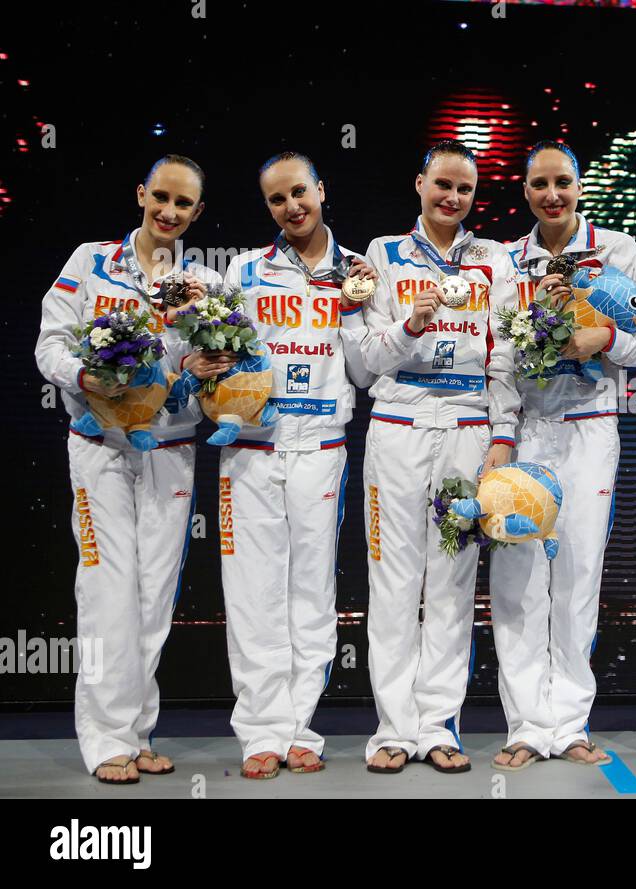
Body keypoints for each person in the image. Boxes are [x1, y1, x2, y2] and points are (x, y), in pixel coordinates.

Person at [35, 154, 231, 783]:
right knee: (105, 592)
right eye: (161, 198)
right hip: (101, 447)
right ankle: (105, 741)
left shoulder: (201, 283)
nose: (169, 213)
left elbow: (222, 358)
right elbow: (49, 344)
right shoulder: (89, 261)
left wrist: (207, 362)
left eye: (184, 205)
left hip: (171, 449)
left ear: (197, 213)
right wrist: (83, 376)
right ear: (141, 192)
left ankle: (136, 730)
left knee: (153, 597)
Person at [357, 140, 519, 775]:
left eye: (466, 189)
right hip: (398, 425)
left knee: (452, 579)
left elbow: (505, 352)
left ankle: (438, 725)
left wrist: (501, 437)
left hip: (466, 429)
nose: (453, 197)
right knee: (394, 580)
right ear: (418, 183)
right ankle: (393, 730)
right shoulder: (381, 255)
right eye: (442, 185)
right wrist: (410, 327)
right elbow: (363, 360)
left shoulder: (494, 259)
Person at [219, 151, 377, 779]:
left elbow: (365, 373)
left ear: (321, 189)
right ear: (268, 207)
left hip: (321, 449)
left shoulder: (358, 273)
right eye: (277, 199)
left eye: (299, 193)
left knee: (313, 591)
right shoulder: (242, 271)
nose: (292, 206)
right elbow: (217, 352)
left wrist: (351, 309)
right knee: (254, 594)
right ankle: (261, 730)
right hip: (252, 449)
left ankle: (300, 726)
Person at [491, 140, 636, 770]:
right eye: (539, 184)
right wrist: (501, 438)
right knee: (519, 578)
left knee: (580, 574)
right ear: (525, 191)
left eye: (562, 182)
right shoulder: (507, 261)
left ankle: (571, 722)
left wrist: (602, 336)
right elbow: (499, 357)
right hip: (529, 430)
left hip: (591, 428)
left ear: (579, 186)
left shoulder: (618, 252)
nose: (551, 194)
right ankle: (526, 723)